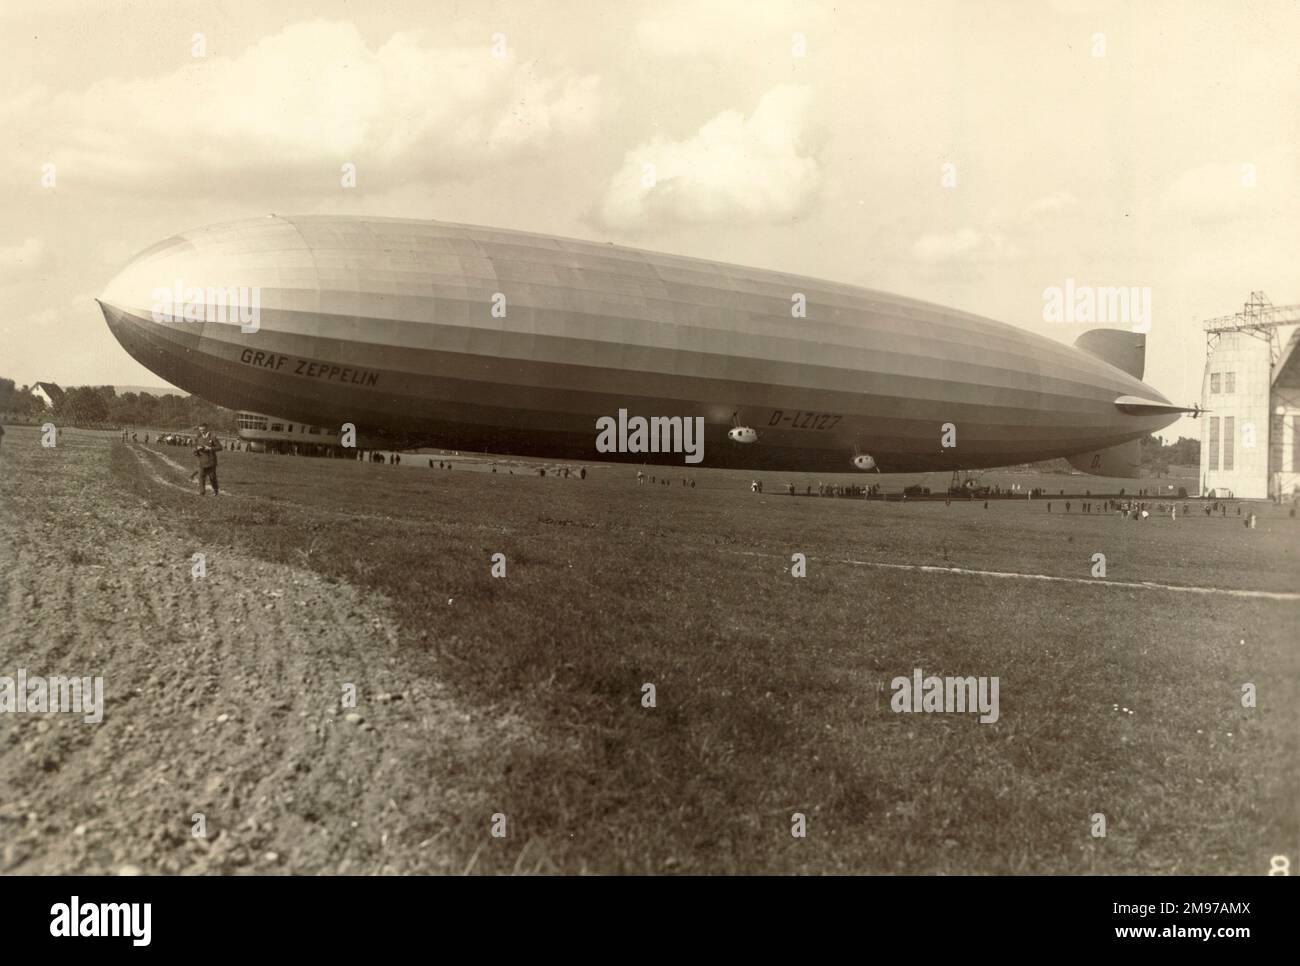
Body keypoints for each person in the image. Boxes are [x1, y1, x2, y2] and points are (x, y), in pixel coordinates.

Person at [193, 423, 223, 496]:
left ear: (207, 429)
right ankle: (202, 492)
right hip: (201, 461)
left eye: (203, 430)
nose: (202, 431)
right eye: (200, 430)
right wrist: (197, 449)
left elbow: (220, 447)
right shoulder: (198, 437)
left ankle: (215, 490)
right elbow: (194, 448)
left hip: (211, 461)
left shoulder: (212, 437)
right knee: (201, 477)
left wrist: (210, 448)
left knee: (212, 477)